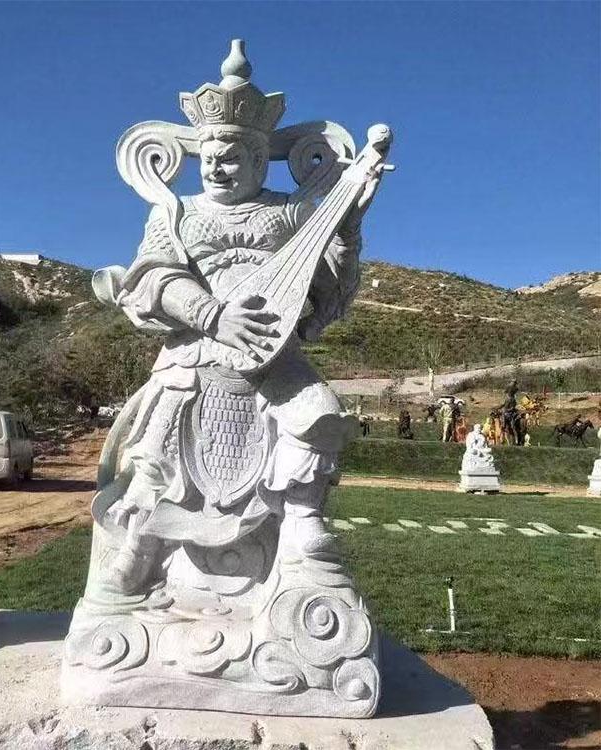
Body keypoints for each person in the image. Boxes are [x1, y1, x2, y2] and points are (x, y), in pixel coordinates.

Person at [90, 44, 387, 596]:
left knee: (318, 416)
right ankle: (141, 545)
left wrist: (347, 227)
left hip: (273, 354)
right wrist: (211, 315)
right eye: (208, 158)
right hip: (194, 354)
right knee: (157, 446)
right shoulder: (175, 213)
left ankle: (302, 527)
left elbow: (326, 289)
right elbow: (152, 279)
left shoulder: (292, 212)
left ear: (257, 160)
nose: (215, 167)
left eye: (229, 158)